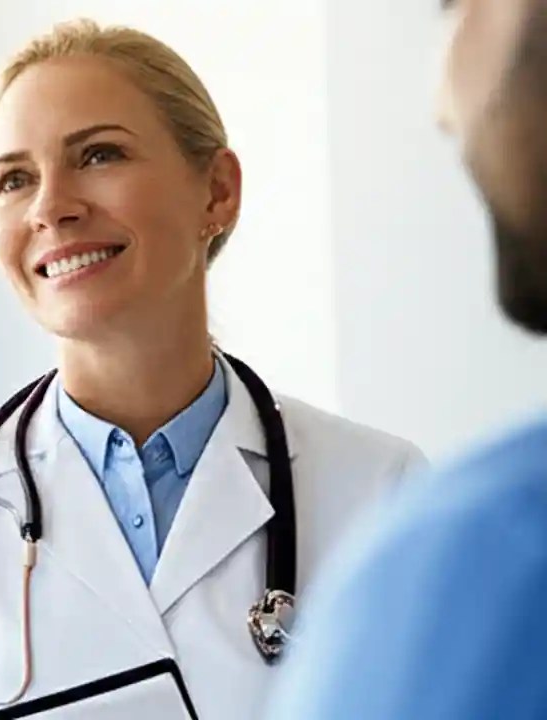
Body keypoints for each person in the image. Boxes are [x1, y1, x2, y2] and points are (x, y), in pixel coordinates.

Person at [0, 19, 425, 720]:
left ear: (217, 191)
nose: (51, 207)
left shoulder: (380, 491)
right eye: (14, 179)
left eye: (98, 155)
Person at [267, 1, 547, 717]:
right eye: (10, 178)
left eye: (459, 4)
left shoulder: (481, 566)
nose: (444, 104)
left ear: (219, 192)